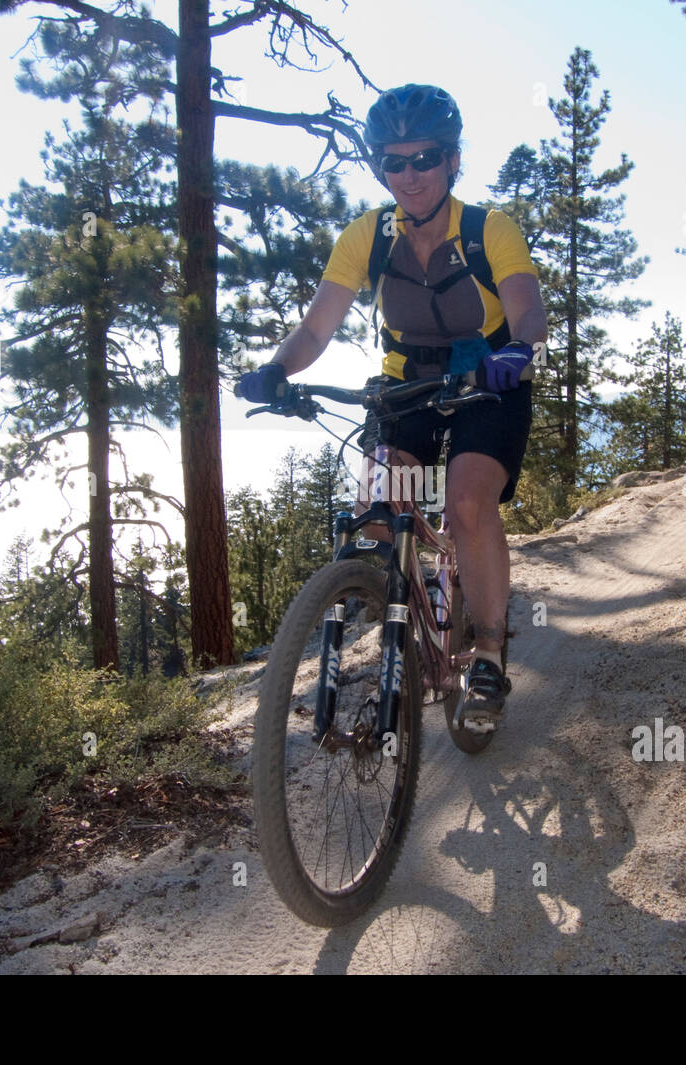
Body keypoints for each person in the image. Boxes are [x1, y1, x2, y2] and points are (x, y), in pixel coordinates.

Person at [238, 84, 547, 730]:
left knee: (466, 499)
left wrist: (519, 351)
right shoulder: (368, 237)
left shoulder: (489, 230)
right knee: (377, 514)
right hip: (407, 390)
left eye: (425, 158)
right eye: (393, 162)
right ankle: (417, 618)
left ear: (453, 161)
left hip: (488, 385)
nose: (409, 175)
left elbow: (527, 310)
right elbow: (316, 330)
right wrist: (276, 369)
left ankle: (486, 648)